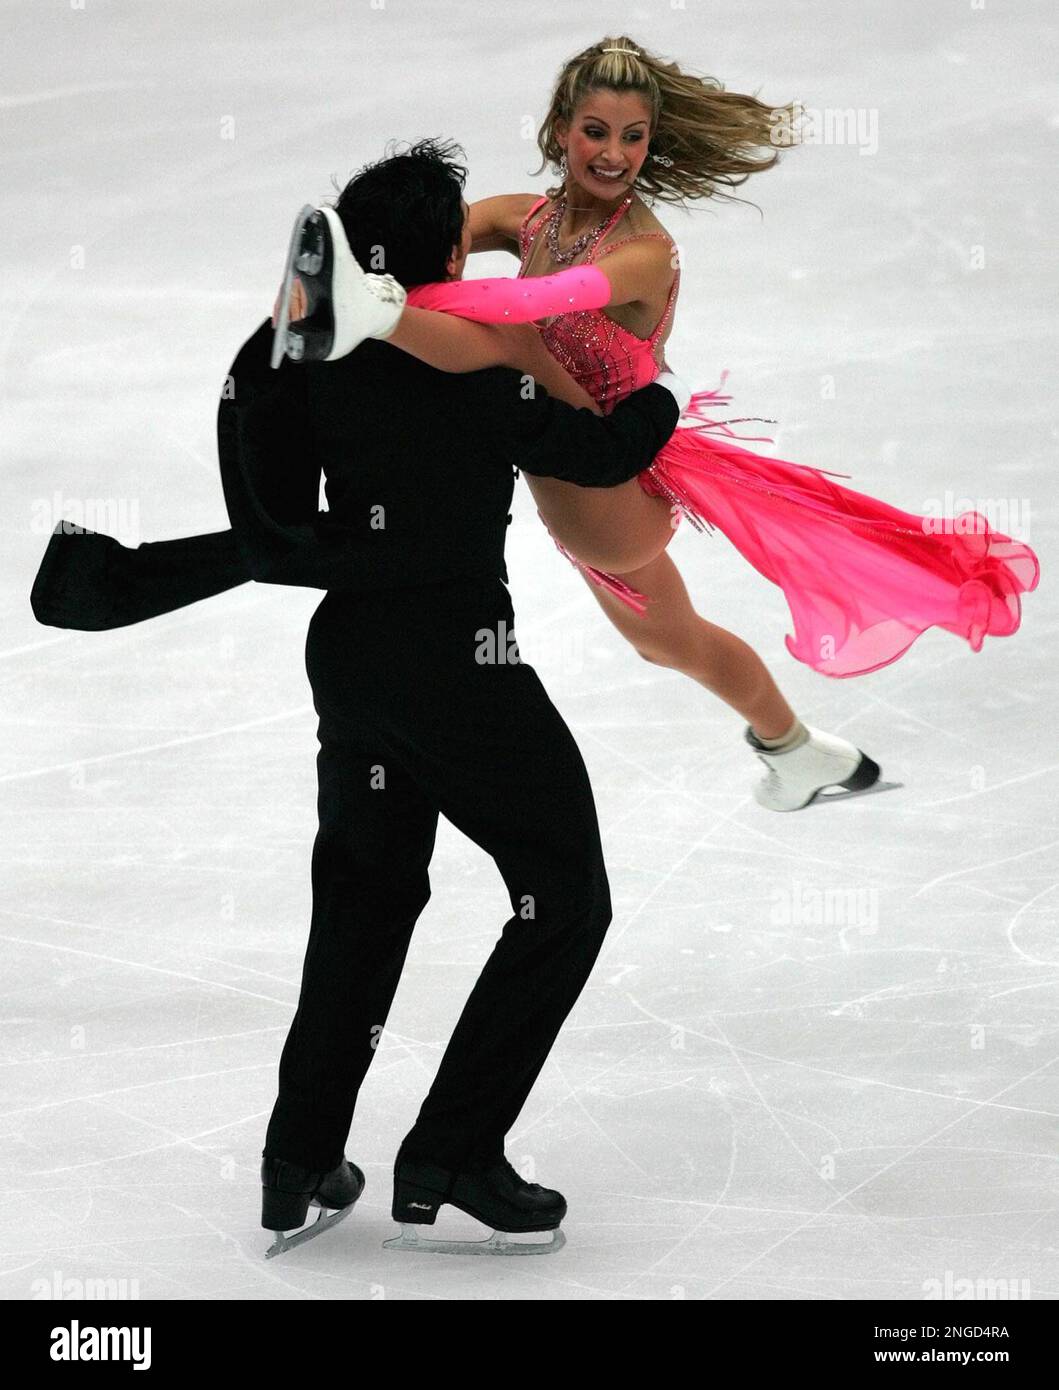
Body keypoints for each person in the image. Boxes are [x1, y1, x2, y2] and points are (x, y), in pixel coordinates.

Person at [143, 138, 690, 1256]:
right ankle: (454, 1147)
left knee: (364, 897)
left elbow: (269, 503)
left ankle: (297, 1157)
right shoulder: (476, 358)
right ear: (444, 254)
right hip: (459, 660)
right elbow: (596, 454)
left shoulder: (295, 353)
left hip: (349, 655)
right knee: (564, 897)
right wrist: (659, 400)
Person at [276, 36, 1038, 813]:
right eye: (596, 132)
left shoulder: (645, 253)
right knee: (666, 641)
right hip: (585, 479)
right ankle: (797, 749)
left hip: (606, 482)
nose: (613, 154)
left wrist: (380, 301)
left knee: (511, 343)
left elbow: (523, 307)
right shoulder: (525, 217)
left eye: (632, 136)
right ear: (560, 130)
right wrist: (361, 254)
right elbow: (422, 243)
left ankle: (365, 316)